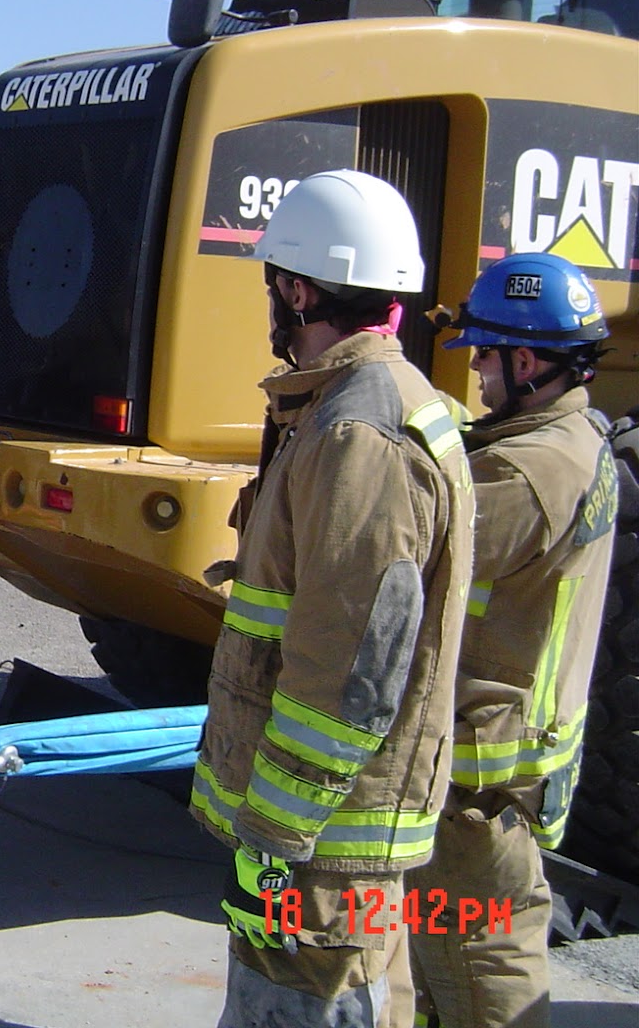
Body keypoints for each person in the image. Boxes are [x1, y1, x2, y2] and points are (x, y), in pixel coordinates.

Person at [189, 170, 474, 1027]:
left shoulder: (361, 433)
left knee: (305, 1005)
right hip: (328, 831)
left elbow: (347, 667)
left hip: (321, 842)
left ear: (300, 289)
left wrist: (272, 838)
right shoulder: (352, 409)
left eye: (275, 280)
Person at [407, 253, 616, 1028]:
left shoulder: (531, 471)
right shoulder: (565, 438)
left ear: (527, 361)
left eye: (486, 358)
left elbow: (412, 545)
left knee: (480, 976)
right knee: (449, 974)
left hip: (478, 784)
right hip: (497, 774)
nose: (479, 377)